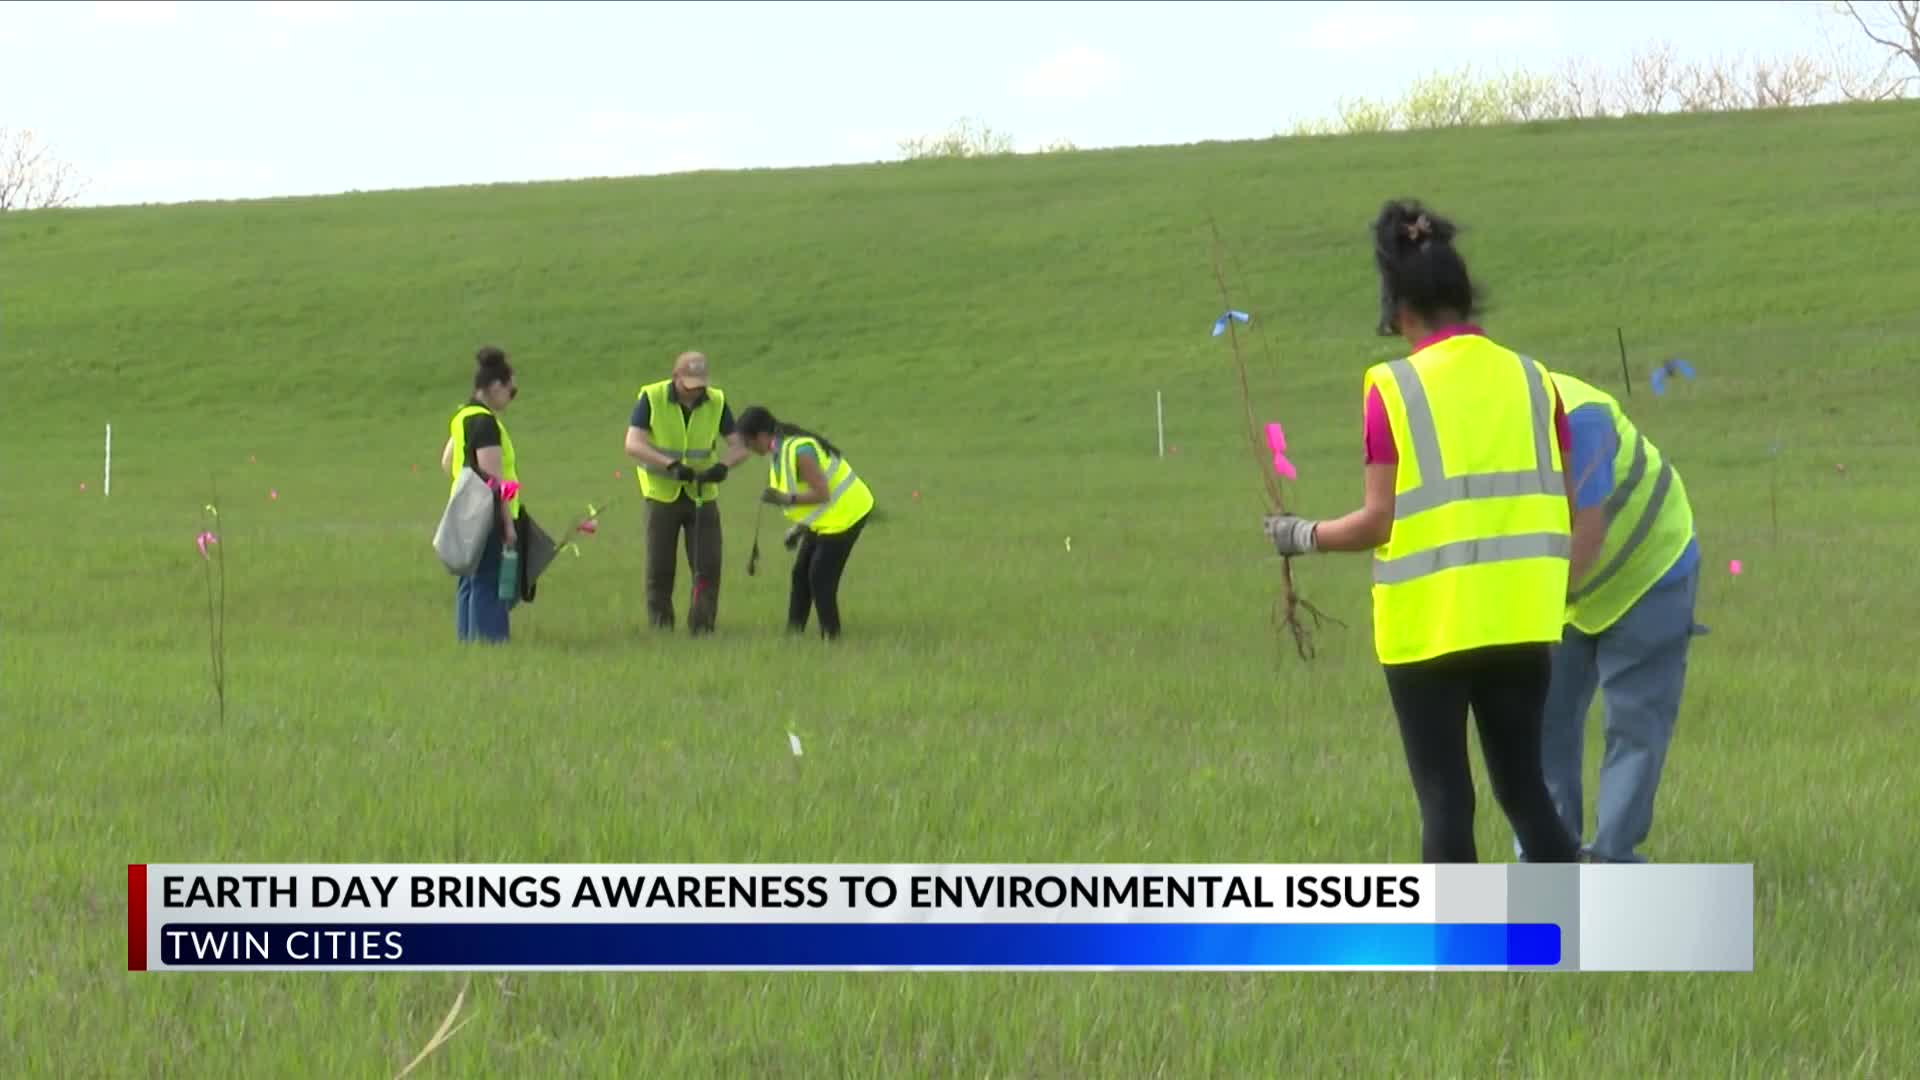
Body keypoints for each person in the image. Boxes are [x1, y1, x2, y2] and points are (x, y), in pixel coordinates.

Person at [1261, 199, 1582, 864]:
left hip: (1428, 628)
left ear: (1397, 309)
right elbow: (1566, 502)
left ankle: (1458, 957)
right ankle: (1567, 943)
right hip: (1523, 619)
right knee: (1525, 791)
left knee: (1445, 798)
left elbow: (1379, 520)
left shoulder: (1394, 387)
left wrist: (1300, 534)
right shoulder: (1535, 380)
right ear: (1467, 299)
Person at [1524, 370, 1702, 863]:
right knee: (1540, 724)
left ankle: (1612, 860)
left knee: (1634, 723)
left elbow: (1588, 533)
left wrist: (1533, 616)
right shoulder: (1479, 430)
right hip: (1565, 591)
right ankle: (1547, 858)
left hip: (1650, 571)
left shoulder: (1581, 417)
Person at [623, 351, 748, 635]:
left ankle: (702, 628)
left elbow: (738, 446)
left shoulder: (716, 401)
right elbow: (633, 443)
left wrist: (723, 467)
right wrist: (670, 465)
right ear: (675, 377)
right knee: (660, 568)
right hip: (661, 495)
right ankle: (661, 628)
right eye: (688, 384)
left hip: (702, 493)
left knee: (707, 565)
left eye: (700, 384)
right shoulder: (651, 397)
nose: (694, 391)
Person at [736, 406, 876, 640]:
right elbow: (807, 497)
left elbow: (822, 494)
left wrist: (784, 499)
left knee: (820, 576)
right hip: (826, 519)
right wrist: (799, 528)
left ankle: (831, 638)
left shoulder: (800, 451)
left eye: (748, 443)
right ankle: (793, 635)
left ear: (761, 435)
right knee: (800, 573)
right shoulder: (780, 452)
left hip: (847, 515)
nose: (748, 449)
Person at [439, 346, 522, 645]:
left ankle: (468, 642)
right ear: (496, 387)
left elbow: (448, 462)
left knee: (469, 582)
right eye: (511, 390)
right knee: (488, 581)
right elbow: (494, 479)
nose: (511, 398)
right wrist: (507, 523)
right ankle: (490, 644)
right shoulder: (486, 423)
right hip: (487, 515)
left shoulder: (463, 416)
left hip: (463, 512)